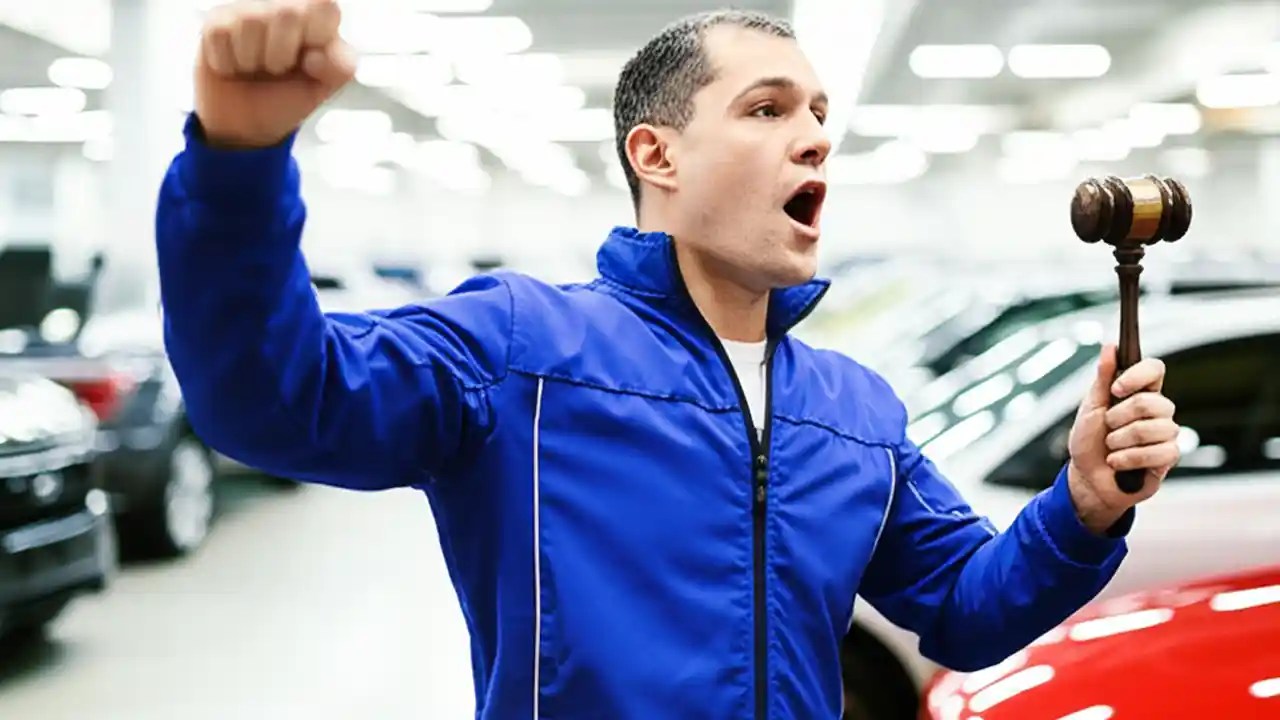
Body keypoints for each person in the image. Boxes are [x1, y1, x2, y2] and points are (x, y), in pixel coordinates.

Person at [156, 2, 1182, 718]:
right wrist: (238, 161)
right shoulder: (523, 352)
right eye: (767, 109)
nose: (816, 138)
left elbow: (965, 608)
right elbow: (273, 403)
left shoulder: (850, 408)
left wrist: (1082, 503)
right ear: (657, 155)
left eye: (820, 115)